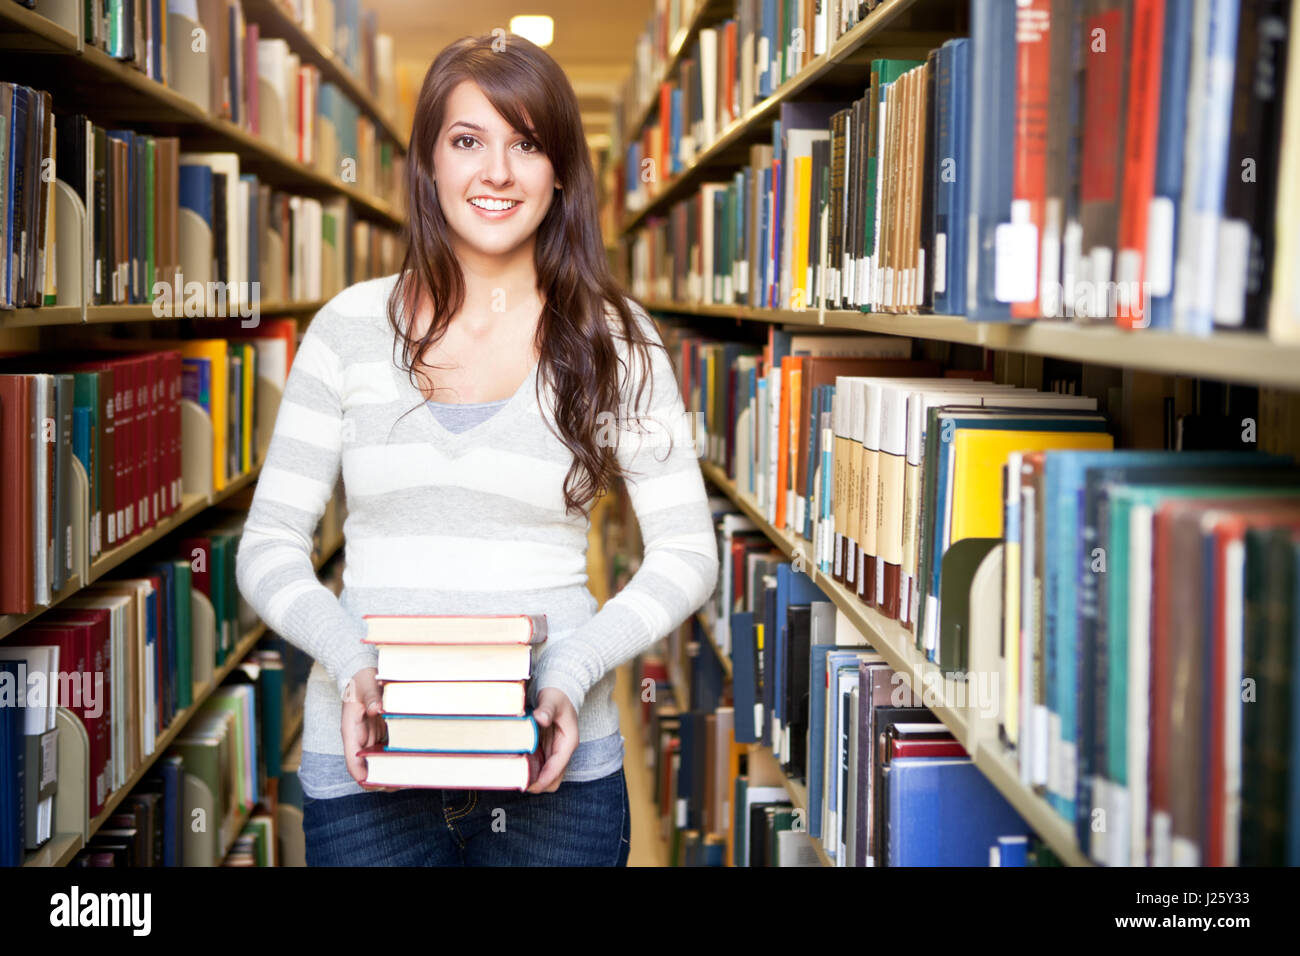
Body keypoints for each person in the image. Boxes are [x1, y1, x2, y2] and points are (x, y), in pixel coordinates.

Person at [234, 32, 718, 866]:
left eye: (526, 144)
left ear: (560, 169)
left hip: (553, 775)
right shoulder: (348, 329)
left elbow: (686, 552)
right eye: (468, 141)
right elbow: (268, 546)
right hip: (365, 770)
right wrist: (350, 663)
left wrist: (575, 666)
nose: (496, 172)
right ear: (428, 163)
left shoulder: (615, 338)